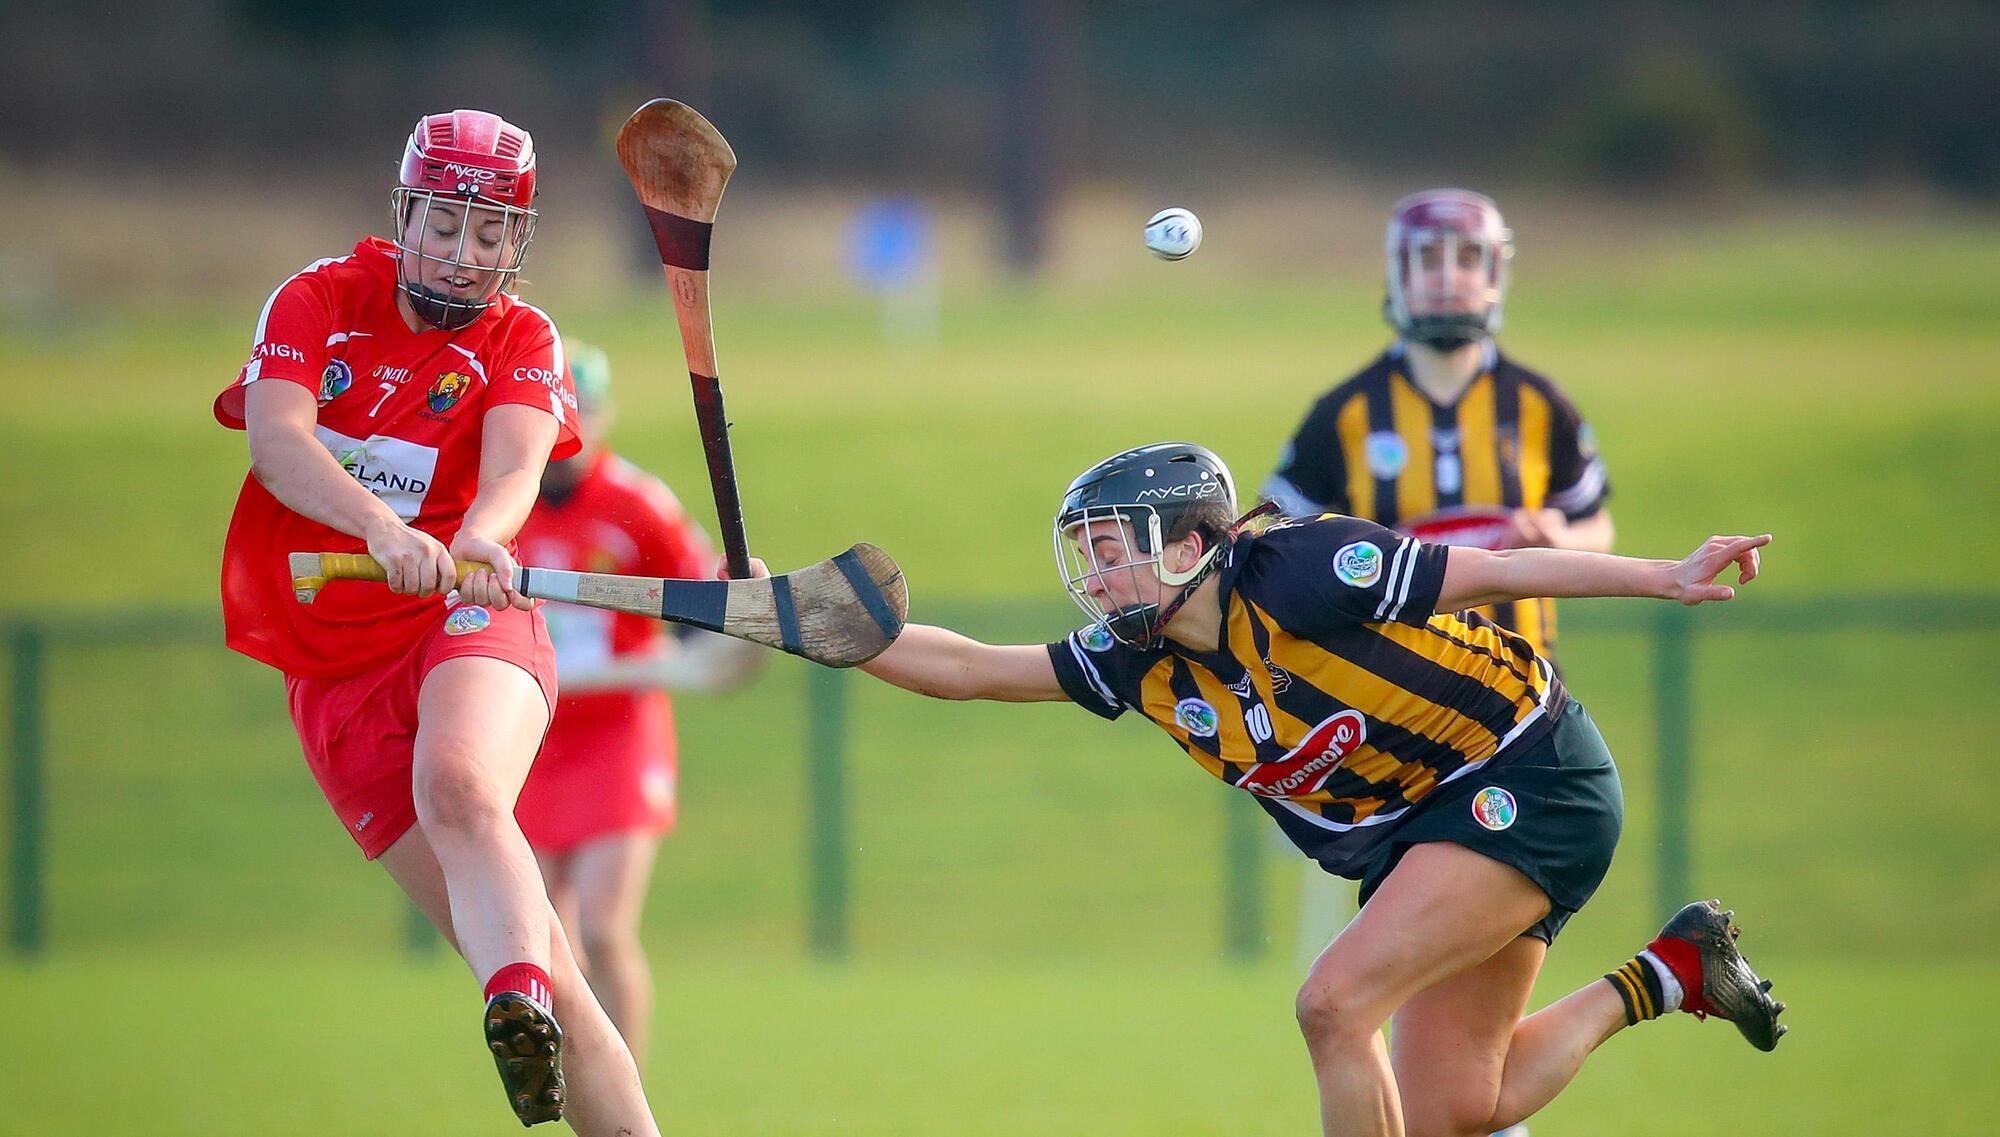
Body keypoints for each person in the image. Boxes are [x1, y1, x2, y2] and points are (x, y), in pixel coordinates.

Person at [849, 442, 1785, 1137]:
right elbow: (967, 668)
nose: (1094, 576)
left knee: (1333, 1005)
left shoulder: (1302, 568)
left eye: (1109, 548)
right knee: (1456, 1106)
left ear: (1189, 543)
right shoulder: (1141, 660)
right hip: (1424, 832)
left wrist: (1665, 575)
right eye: (1086, 554)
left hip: (1528, 774)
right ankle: (1674, 971)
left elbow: (1493, 572)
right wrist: (821, 626)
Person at [213, 109, 662, 1133]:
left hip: (463, 623)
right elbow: (278, 442)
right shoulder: (316, 301)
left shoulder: (523, 336)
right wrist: (381, 529)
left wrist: (479, 543)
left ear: (519, 240)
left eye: (493, 232)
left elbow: (513, 469)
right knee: (565, 976)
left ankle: (513, 1006)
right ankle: (535, 995)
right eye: (446, 225)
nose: (467, 255)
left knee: (460, 785)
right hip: (329, 668)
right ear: (404, 213)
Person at [513, 343, 762, 1069]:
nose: (571, 428)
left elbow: (704, 619)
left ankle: (624, 1091)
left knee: (603, 927)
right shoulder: (500, 497)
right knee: (538, 935)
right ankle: (574, 1084)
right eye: (558, 412)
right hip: (528, 736)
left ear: (604, 414)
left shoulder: (635, 503)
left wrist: (730, 637)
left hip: (618, 736)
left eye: (583, 412)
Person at [1264, 189, 1612, 667]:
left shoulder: (1540, 404)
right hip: (1392, 690)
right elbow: (1276, 541)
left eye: (1467, 259)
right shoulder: (1344, 413)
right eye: (1428, 260)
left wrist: (1560, 543)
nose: (1448, 277)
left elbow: (1595, 523)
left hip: (1525, 684)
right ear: (1399, 273)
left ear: (1494, 273)